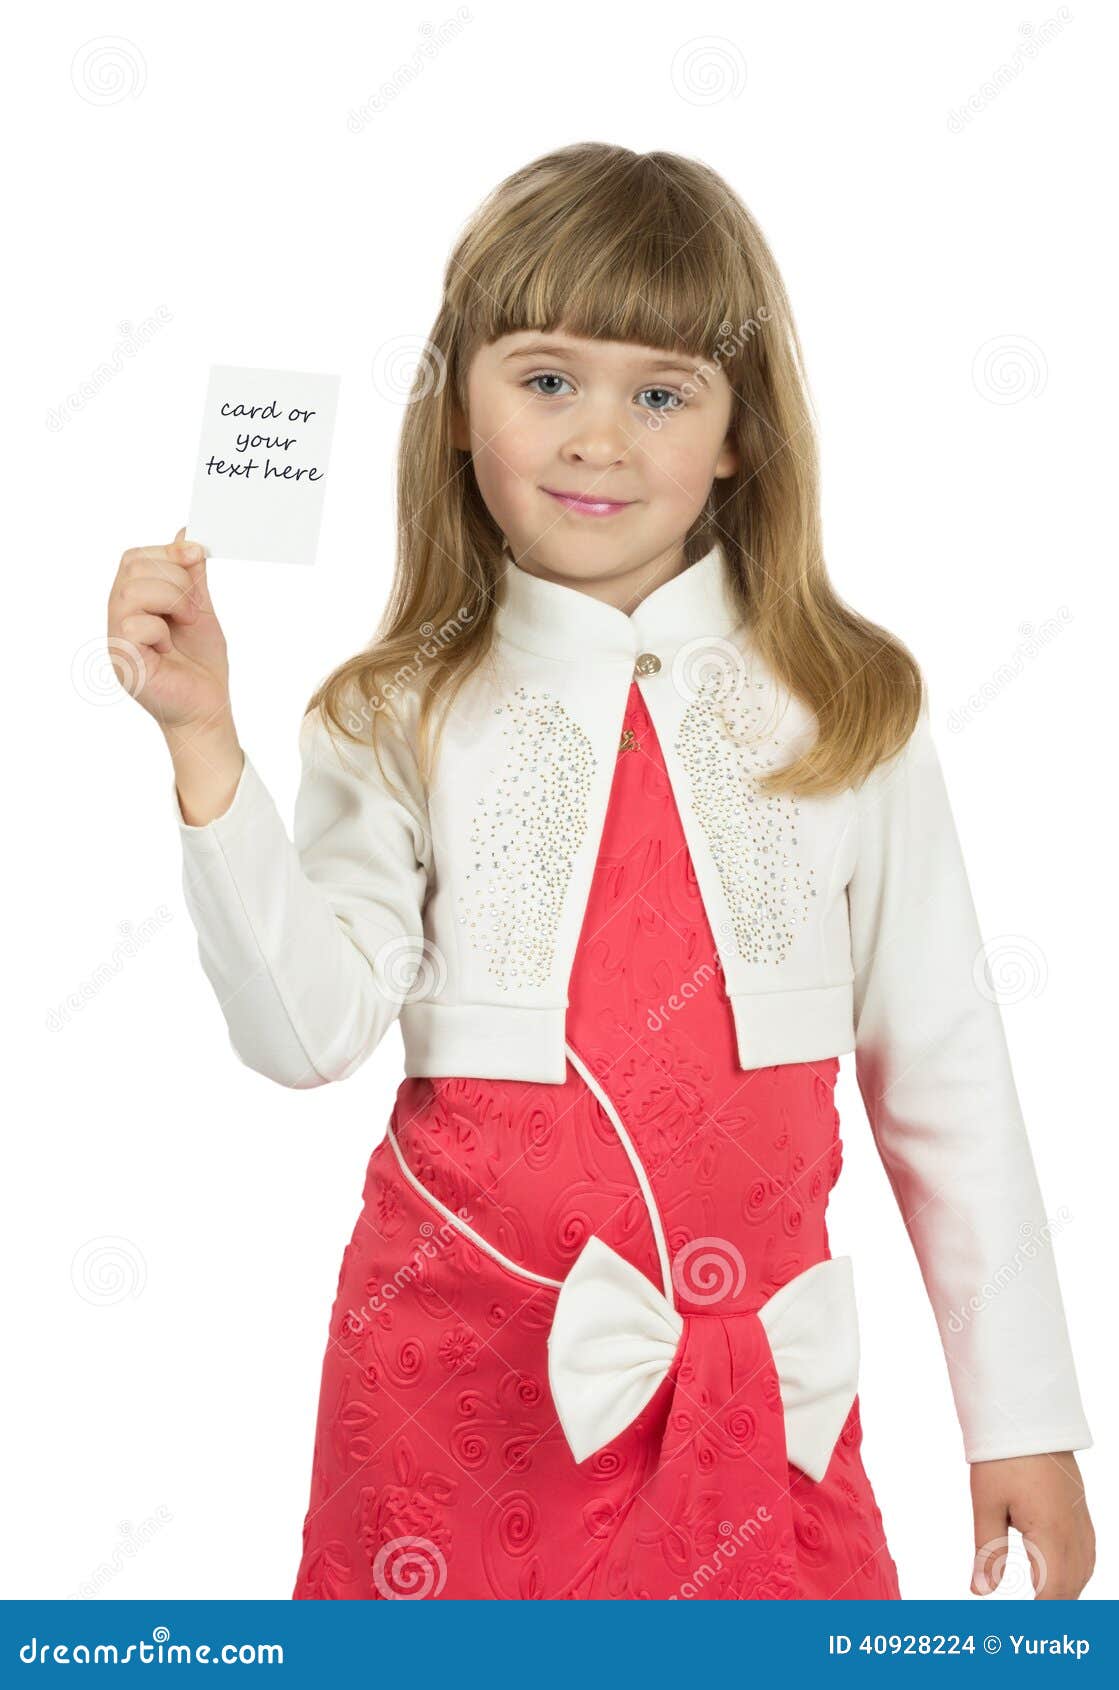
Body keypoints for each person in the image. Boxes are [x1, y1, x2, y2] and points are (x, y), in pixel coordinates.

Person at [107, 142, 1095, 1600]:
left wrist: (1019, 1416)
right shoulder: (394, 711)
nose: (600, 439)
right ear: (458, 409)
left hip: (762, 1404)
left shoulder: (850, 706)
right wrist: (205, 745)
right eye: (547, 378)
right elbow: (304, 1032)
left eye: (661, 391)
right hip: (449, 1396)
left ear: (738, 435)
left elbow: (946, 1068)